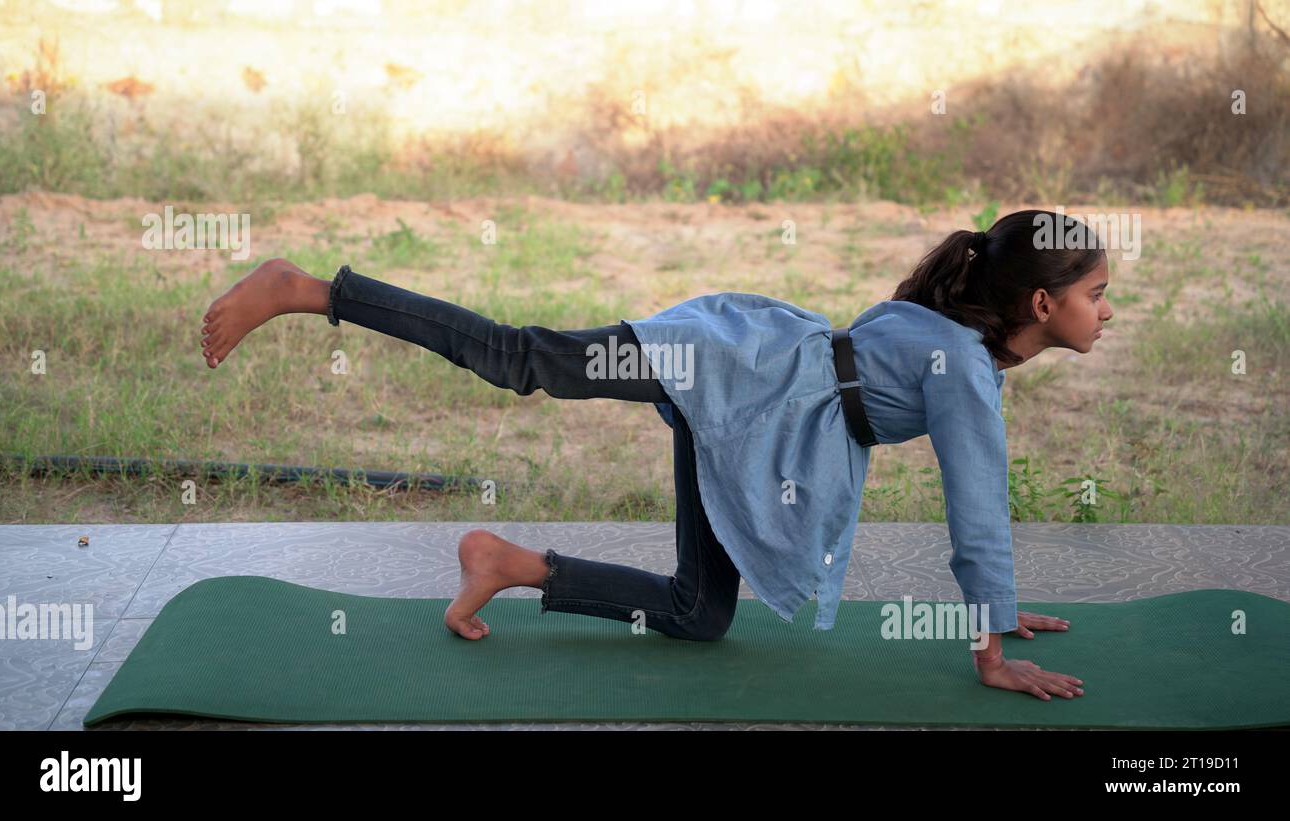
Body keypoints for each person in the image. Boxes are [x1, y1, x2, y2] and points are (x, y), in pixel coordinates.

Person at [199, 208, 1110, 701]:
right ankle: (311, 289)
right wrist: (990, 649)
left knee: (698, 612)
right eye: (1098, 295)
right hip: (722, 368)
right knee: (526, 357)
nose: (1107, 312)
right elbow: (977, 506)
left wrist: (999, 608)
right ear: (1041, 303)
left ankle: (507, 563)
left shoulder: (959, 346)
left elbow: (953, 475)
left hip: (754, 410)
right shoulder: (960, 363)